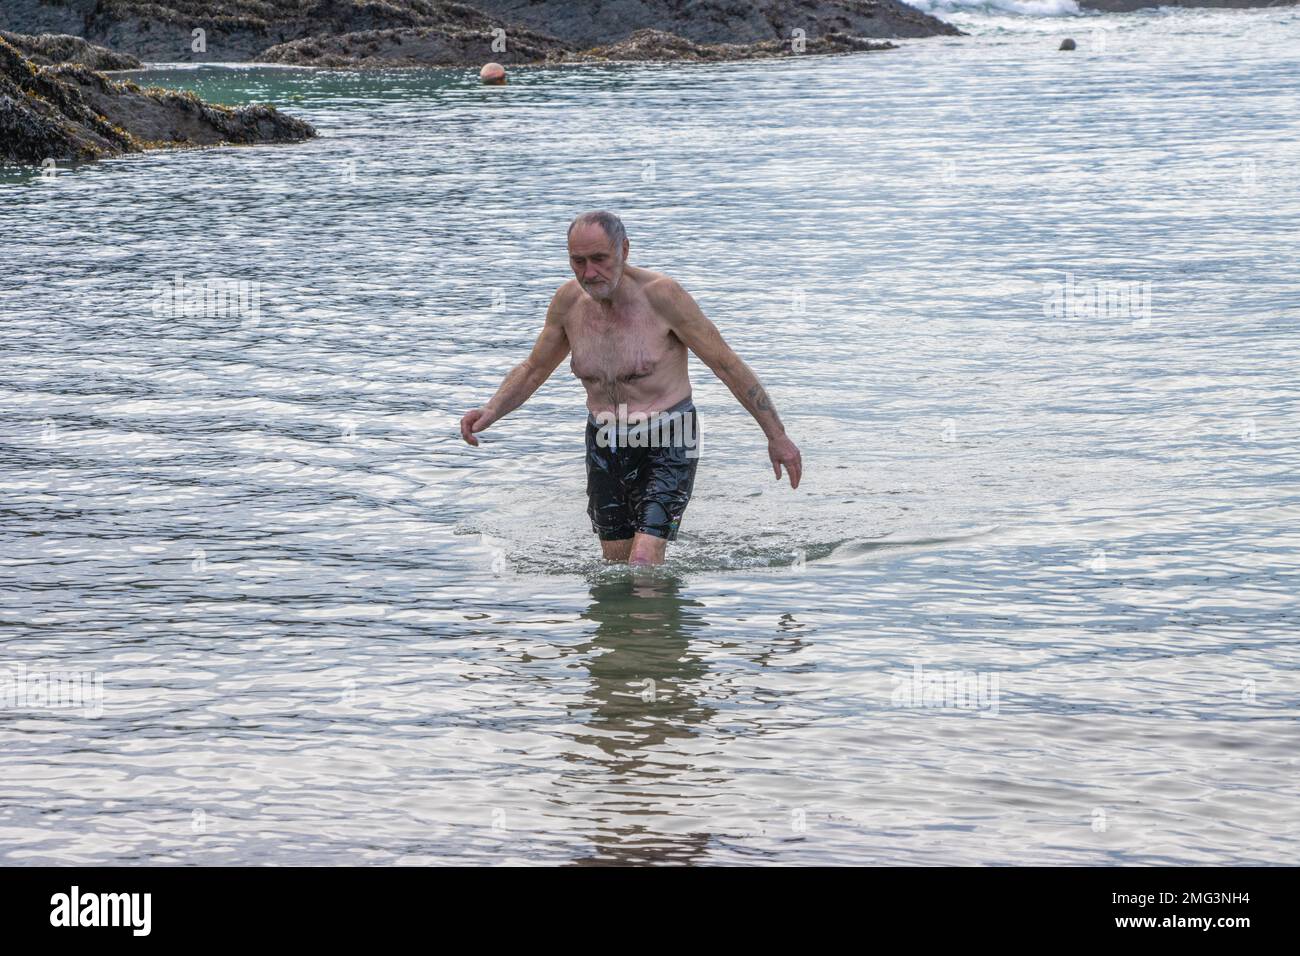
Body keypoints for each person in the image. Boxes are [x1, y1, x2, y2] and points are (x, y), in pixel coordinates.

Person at [460, 211, 802, 565]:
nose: (589, 273)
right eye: (578, 262)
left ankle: (650, 613)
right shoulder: (567, 303)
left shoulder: (662, 296)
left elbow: (725, 363)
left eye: (599, 260)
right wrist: (492, 410)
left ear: (624, 249)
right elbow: (534, 369)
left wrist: (776, 435)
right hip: (605, 440)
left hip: (670, 436)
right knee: (616, 563)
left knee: (642, 559)